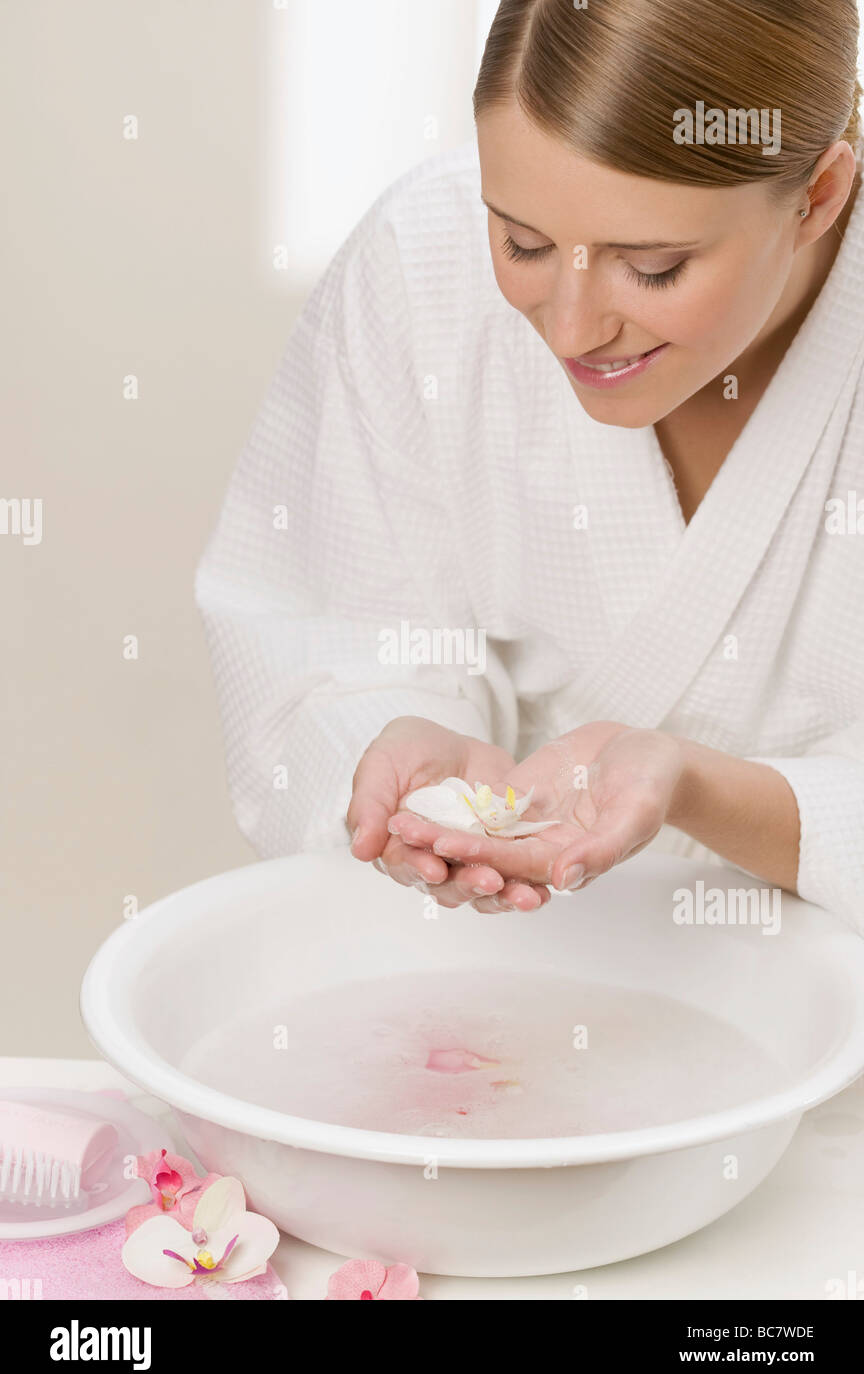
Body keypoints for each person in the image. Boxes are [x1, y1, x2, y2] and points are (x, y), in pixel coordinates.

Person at [196, 0, 864, 930]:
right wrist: (403, 748)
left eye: (656, 266)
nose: (571, 327)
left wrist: (705, 792)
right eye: (523, 243)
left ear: (820, 194)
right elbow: (319, 632)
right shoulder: (420, 263)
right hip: (501, 974)